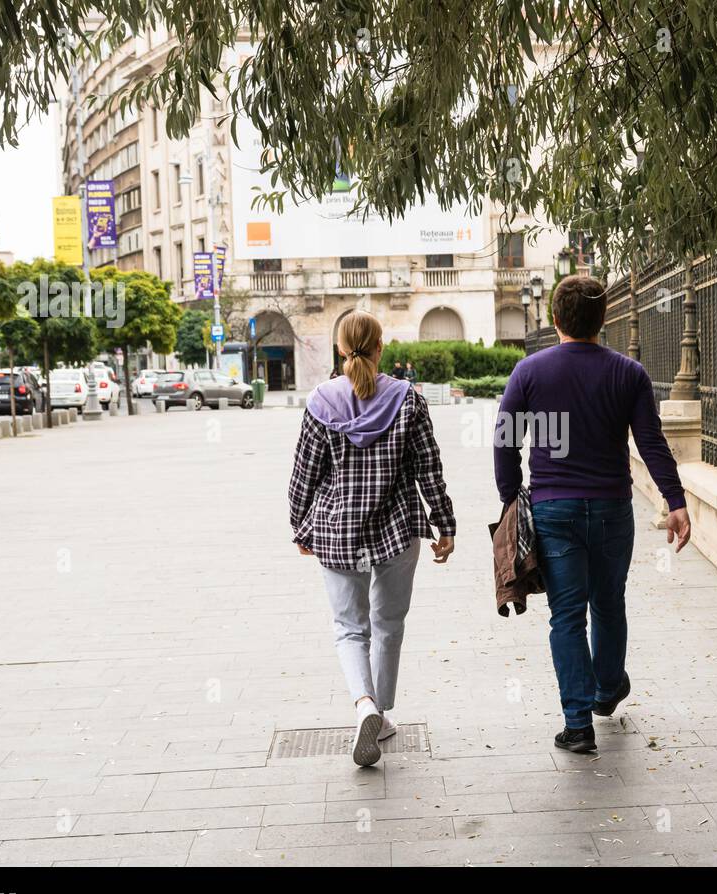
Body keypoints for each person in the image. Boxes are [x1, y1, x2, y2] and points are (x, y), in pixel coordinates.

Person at [494, 274, 691, 754]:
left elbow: (504, 440)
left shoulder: (529, 372)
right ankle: (606, 690)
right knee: (609, 603)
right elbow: (651, 442)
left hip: (553, 508)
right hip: (610, 508)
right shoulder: (629, 374)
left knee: (566, 614)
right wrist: (675, 500)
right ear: (604, 320)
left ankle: (578, 723)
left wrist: (510, 497)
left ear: (556, 319)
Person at [289, 311, 456, 767]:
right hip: (398, 531)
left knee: (349, 628)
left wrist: (299, 524)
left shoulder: (320, 401)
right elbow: (429, 469)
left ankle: (364, 705)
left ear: (340, 349)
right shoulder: (409, 400)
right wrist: (446, 525)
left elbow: (305, 473)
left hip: (337, 532)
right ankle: (379, 715)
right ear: (381, 348)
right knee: (389, 624)